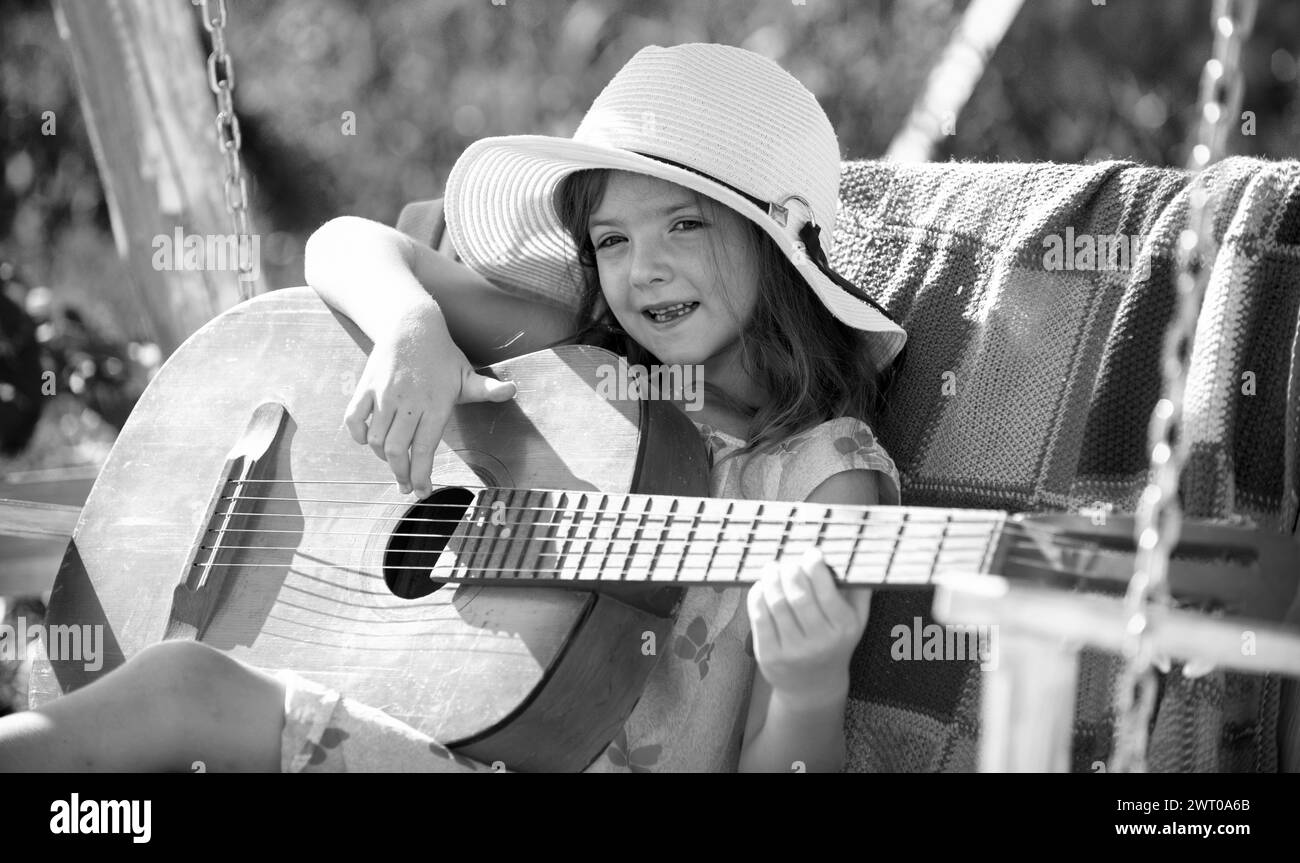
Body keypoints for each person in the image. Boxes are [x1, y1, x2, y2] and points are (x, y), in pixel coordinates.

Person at [0, 42, 906, 773]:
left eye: (684, 223)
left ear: (774, 242)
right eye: (612, 239)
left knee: (184, 690)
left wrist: (813, 682)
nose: (644, 269)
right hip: (413, 720)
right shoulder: (577, 361)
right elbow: (342, 243)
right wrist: (409, 327)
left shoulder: (824, 476)